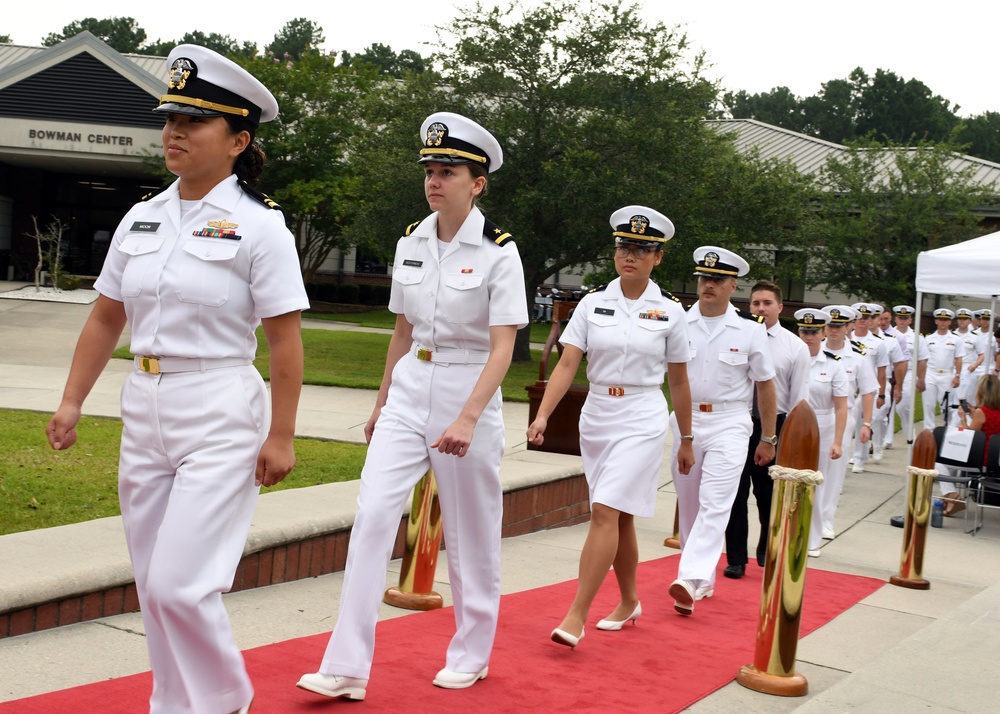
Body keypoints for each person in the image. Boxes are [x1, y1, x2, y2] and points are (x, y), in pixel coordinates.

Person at [45, 45, 307, 714]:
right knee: (152, 582)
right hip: (146, 407)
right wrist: (73, 400)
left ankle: (224, 700)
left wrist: (281, 435)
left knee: (180, 584)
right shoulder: (143, 217)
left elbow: (284, 340)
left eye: (195, 123)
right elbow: (107, 318)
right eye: (170, 120)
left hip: (219, 407)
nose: (174, 133)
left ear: (238, 139)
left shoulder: (261, 226)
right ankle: (172, 704)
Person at [297, 112, 527, 699]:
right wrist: (380, 404)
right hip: (409, 390)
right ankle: (346, 666)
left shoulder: (501, 251)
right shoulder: (411, 240)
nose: (434, 179)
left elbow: (504, 347)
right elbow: (402, 332)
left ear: (477, 183)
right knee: (372, 517)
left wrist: (469, 416)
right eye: (429, 169)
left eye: (447, 170)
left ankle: (472, 652)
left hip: (467, 389)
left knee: (472, 533)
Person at [525, 206, 693, 647]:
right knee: (618, 518)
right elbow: (566, 364)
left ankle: (576, 615)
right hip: (597, 414)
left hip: (642, 415)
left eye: (641, 249)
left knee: (603, 511)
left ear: (658, 257)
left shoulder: (672, 312)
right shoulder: (592, 303)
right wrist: (542, 414)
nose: (630, 255)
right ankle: (630, 600)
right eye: (623, 246)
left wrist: (686, 437)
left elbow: (678, 379)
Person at [668, 246, 776, 616]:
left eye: (716, 279)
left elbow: (765, 385)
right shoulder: (678, 322)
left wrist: (768, 437)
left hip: (731, 422)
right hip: (687, 422)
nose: (707, 285)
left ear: (732, 285)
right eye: (703, 278)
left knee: (717, 503)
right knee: (690, 505)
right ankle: (701, 580)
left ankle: (689, 576)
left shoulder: (749, 330)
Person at [723, 280, 808, 579]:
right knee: (735, 493)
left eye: (767, 303)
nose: (760, 308)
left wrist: (782, 437)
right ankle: (735, 558)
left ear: (780, 308)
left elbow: (799, 398)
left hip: (777, 426)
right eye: (756, 303)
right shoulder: (739, 337)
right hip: (738, 422)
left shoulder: (794, 346)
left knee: (769, 494)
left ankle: (767, 549)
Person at [815, 305, 876, 546]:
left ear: (849, 326)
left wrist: (867, 423)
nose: (833, 330)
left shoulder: (858, 355)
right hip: (813, 416)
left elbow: (869, 391)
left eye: (839, 326)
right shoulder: (812, 350)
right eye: (830, 325)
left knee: (833, 472)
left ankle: (827, 520)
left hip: (843, 417)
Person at [794, 309, 849, 558]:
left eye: (814, 332)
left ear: (824, 332)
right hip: (793, 425)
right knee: (791, 481)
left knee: (817, 483)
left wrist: (837, 441)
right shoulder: (791, 358)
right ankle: (792, 532)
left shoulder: (833, 365)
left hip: (822, 425)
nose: (809, 337)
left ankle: (813, 539)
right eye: (805, 331)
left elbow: (841, 406)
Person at [851, 302, 905, 466]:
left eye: (868, 317)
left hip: (878, 385)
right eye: (859, 317)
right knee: (855, 421)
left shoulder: (886, 341)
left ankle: (878, 445)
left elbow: (899, 364)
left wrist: (895, 388)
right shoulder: (848, 338)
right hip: (853, 387)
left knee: (878, 419)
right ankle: (860, 456)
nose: (864, 320)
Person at [941, 374, 1000, 515]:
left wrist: (963, 419)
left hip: (981, 461)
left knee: (942, 462)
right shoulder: (986, 413)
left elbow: (972, 438)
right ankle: (951, 500)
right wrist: (974, 416)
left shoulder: (982, 412)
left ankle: (952, 497)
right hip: (996, 461)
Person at [892, 305, 929, 444]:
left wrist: (921, 379)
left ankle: (909, 433)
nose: (902, 321)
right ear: (896, 319)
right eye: (900, 318)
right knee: (885, 407)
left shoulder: (917, 337)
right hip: (890, 372)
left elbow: (923, 359)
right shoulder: (888, 334)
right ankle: (886, 439)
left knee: (903, 405)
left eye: (905, 318)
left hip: (908, 373)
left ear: (910, 320)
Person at [923, 308, 964, 431]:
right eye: (940, 320)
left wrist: (957, 375)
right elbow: (923, 360)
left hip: (946, 374)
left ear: (950, 322)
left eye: (945, 320)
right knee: (928, 404)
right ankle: (928, 430)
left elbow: (959, 359)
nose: (943, 323)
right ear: (936, 321)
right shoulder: (928, 339)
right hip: (930, 373)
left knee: (946, 405)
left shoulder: (956, 339)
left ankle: (948, 428)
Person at [955, 308, 986, 421]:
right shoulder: (952, 335)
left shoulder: (974, 337)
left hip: (967, 368)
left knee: (964, 398)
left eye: (965, 319)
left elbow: (981, 355)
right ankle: (951, 422)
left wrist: (975, 365)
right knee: (950, 399)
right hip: (952, 368)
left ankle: (966, 422)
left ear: (969, 321)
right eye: (960, 319)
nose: (962, 321)